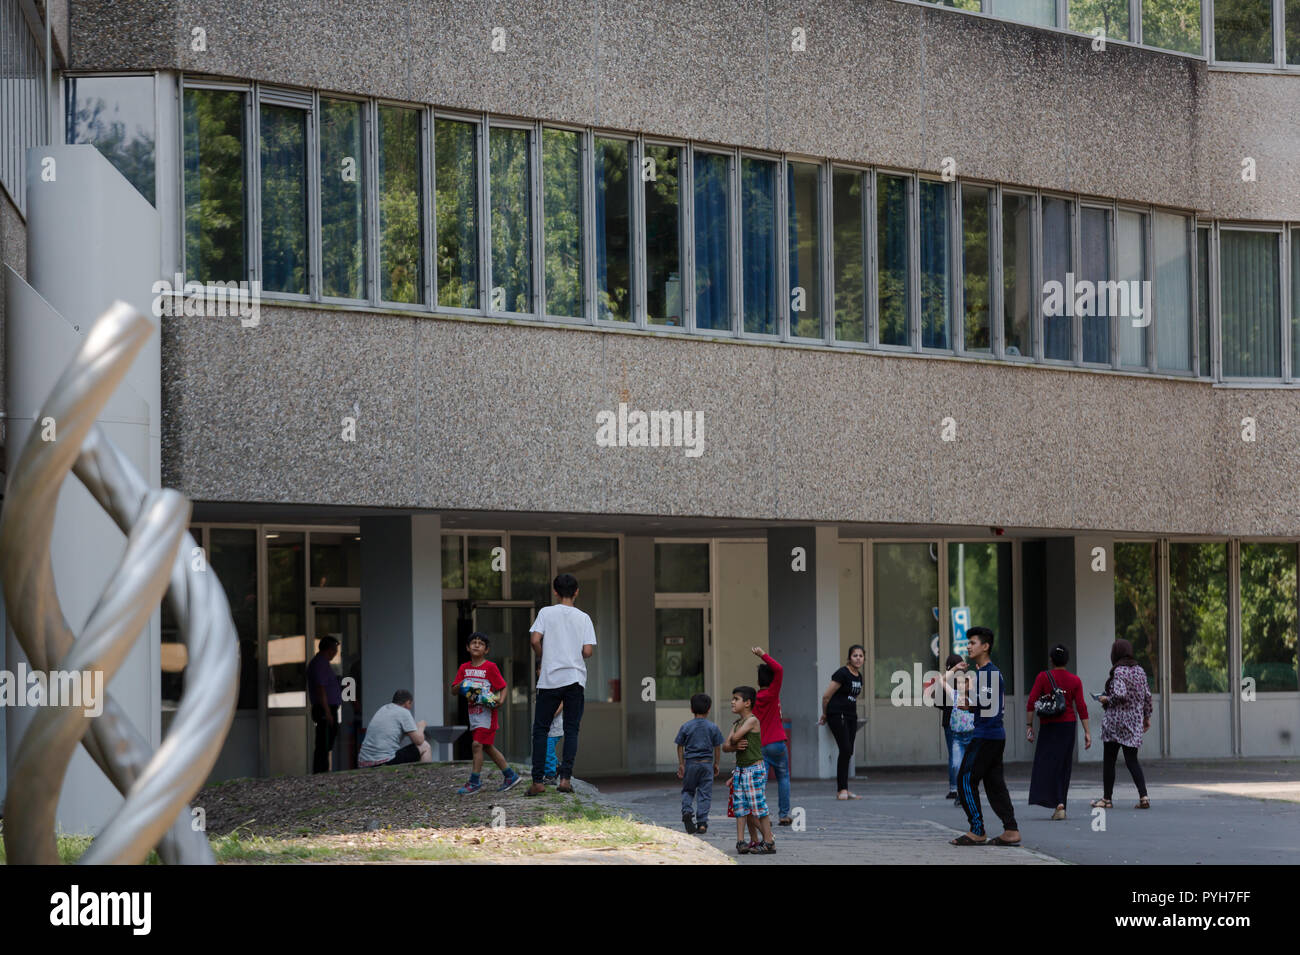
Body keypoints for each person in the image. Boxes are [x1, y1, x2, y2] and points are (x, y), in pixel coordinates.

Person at [526, 573, 597, 796]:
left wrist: (545, 656)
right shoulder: (584, 617)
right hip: (575, 679)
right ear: (576, 592)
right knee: (571, 730)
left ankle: (538, 781)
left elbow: (534, 640)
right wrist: (572, 658)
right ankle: (565, 779)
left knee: (540, 730)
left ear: (555, 591)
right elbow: (588, 651)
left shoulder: (546, 613)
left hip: (550, 680)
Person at [950, 626, 1021, 846]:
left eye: (972, 642)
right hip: (994, 734)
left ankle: (977, 830)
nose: (968, 646)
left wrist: (969, 703)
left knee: (964, 780)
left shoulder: (987, 673)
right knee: (995, 784)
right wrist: (970, 705)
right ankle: (1011, 830)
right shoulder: (986, 673)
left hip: (986, 735)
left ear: (986, 646)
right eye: (968, 642)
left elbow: (986, 704)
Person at [1026, 644, 1092, 820]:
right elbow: (1081, 707)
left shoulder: (1043, 677)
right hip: (1068, 725)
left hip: (1049, 725)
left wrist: (1029, 725)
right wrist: (1087, 732)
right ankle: (1061, 802)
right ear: (1067, 660)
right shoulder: (1075, 680)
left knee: (1046, 763)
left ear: (1051, 660)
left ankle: (1054, 801)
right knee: (1063, 765)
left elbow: (1031, 701)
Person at [452, 632, 522, 794]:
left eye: (481, 643)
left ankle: (474, 781)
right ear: (467, 648)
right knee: (487, 747)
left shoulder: (490, 667)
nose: (476, 645)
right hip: (474, 715)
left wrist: (502, 700)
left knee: (476, 745)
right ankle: (510, 775)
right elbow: (454, 690)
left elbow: (503, 686)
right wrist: (462, 683)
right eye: (473, 642)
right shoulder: (464, 668)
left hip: (488, 715)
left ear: (486, 650)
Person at [1091, 638, 1152, 810]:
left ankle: (1107, 799)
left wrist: (1105, 699)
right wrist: (1147, 717)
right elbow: (1147, 696)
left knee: (1109, 760)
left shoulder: (1119, 671)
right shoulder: (1140, 671)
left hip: (1115, 723)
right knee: (1132, 760)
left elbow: (1119, 694)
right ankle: (1144, 796)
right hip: (1134, 723)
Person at [724, 686, 776, 855]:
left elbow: (734, 738)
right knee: (741, 807)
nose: (732, 702)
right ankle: (741, 841)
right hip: (740, 770)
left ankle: (769, 842)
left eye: (736, 699)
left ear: (747, 703)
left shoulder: (752, 721)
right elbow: (725, 746)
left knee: (758, 807)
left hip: (753, 769)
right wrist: (733, 746)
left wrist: (733, 742)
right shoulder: (738, 722)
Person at [752, 646, 793, 825]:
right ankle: (784, 814)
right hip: (777, 743)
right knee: (783, 777)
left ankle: (762, 816)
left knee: (761, 783)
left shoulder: (752, 700)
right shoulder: (773, 693)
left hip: (760, 746)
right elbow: (780, 669)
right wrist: (763, 655)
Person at [819, 645, 865, 799]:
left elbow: (853, 697)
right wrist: (825, 714)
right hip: (837, 714)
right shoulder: (842, 673)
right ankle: (841, 790)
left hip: (851, 715)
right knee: (845, 748)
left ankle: (844, 788)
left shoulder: (859, 676)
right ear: (849, 658)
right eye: (855, 655)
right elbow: (826, 696)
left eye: (860, 656)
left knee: (848, 751)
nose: (858, 658)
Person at [675, 692, 724, 834]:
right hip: (707, 763)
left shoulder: (686, 727)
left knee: (688, 790)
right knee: (705, 793)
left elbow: (679, 745)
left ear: (691, 709)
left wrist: (681, 763)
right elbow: (717, 747)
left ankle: (687, 811)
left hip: (690, 763)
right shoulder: (713, 727)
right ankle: (702, 823)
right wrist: (716, 764)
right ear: (709, 709)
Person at [357, 690, 433, 767]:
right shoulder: (404, 712)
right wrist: (421, 726)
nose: (410, 708)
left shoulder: (383, 709)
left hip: (364, 762)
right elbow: (419, 741)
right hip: (383, 761)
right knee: (425, 746)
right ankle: (425, 775)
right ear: (408, 703)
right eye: (411, 705)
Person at [937, 653, 973, 801]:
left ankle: (964, 790)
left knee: (968, 763)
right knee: (956, 760)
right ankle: (956, 789)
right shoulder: (954, 689)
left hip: (969, 731)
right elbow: (941, 683)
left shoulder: (969, 686)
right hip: (954, 728)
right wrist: (954, 669)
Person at [307, 636, 342, 773]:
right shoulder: (320, 663)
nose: (335, 653)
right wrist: (327, 712)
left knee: (327, 741)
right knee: (324, 742)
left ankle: (323, 769)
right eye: (335, 650)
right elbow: (320, 688)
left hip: (327, 708)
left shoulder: (323, 663)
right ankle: (321, 771)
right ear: (329, 649)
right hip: (324, 709)